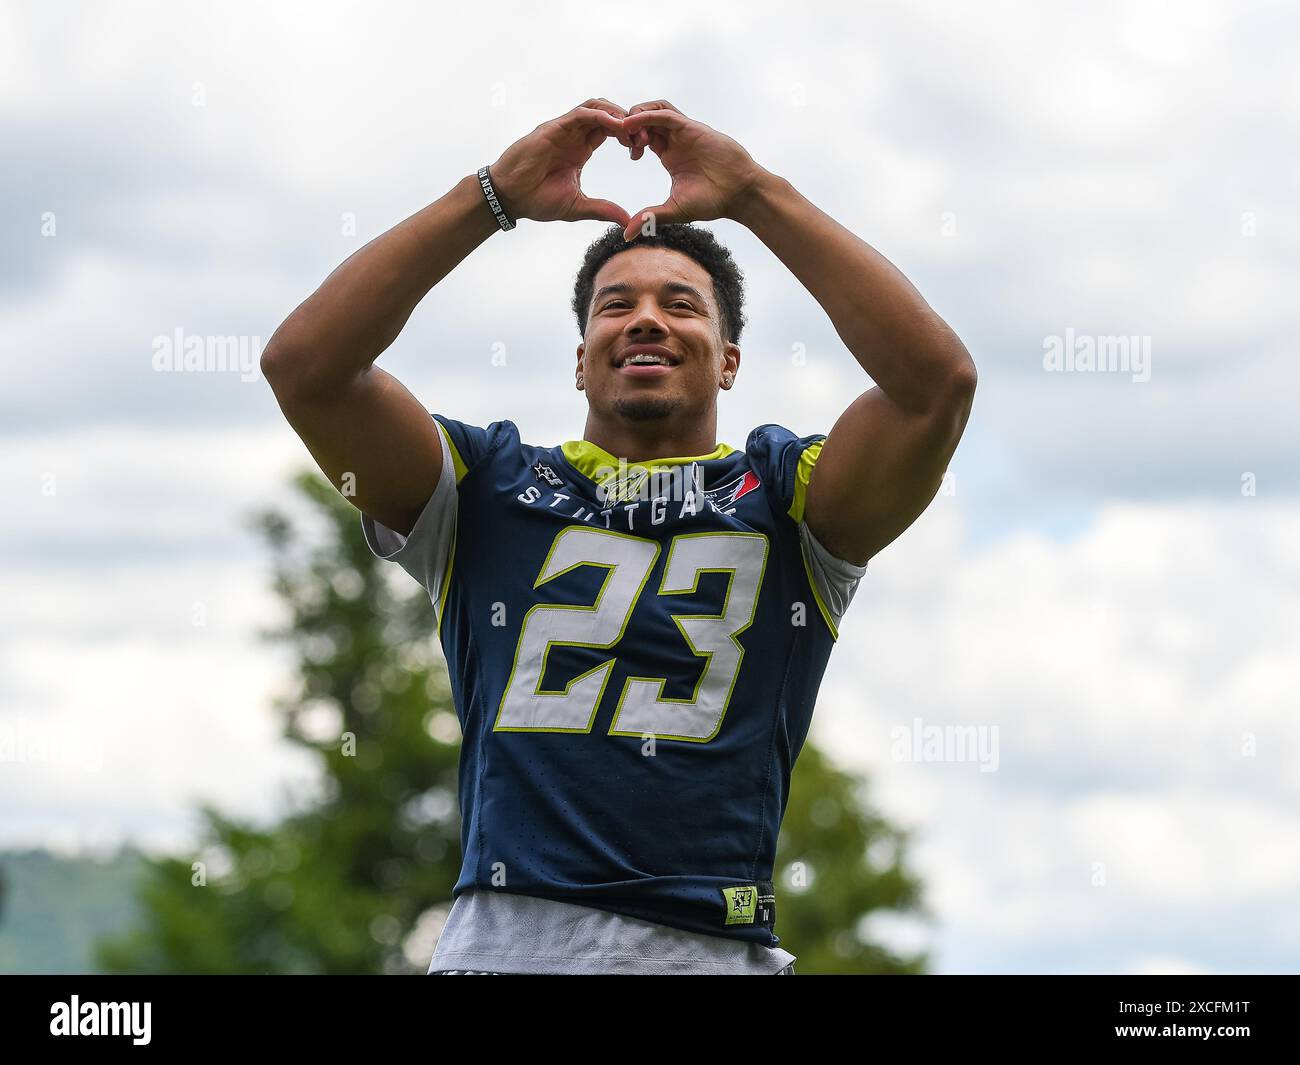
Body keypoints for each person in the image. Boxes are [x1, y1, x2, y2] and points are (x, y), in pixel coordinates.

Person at [261, 98, 977, 975]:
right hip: (506, 947)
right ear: (579, 357)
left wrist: (753, 193)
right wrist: (490, 196)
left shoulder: (791, 497)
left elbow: (936, 385)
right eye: (614, 305)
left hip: (707, 951)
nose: (644, 318)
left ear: (728, 359)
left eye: (681, 304)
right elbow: (305, 367)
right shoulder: (484, 487)